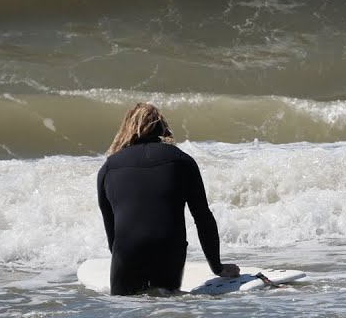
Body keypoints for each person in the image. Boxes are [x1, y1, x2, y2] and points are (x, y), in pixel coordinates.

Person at [97, 102, 240, 295]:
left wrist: (121, 261)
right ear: (162, 127)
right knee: (166, 306)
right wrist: (217, 267)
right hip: (169, 252)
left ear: (126, 128)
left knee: (126, 308)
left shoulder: (108, 168)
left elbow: (112, 231)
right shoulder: (182, 161)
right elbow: (202, 217)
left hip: (127, 253)